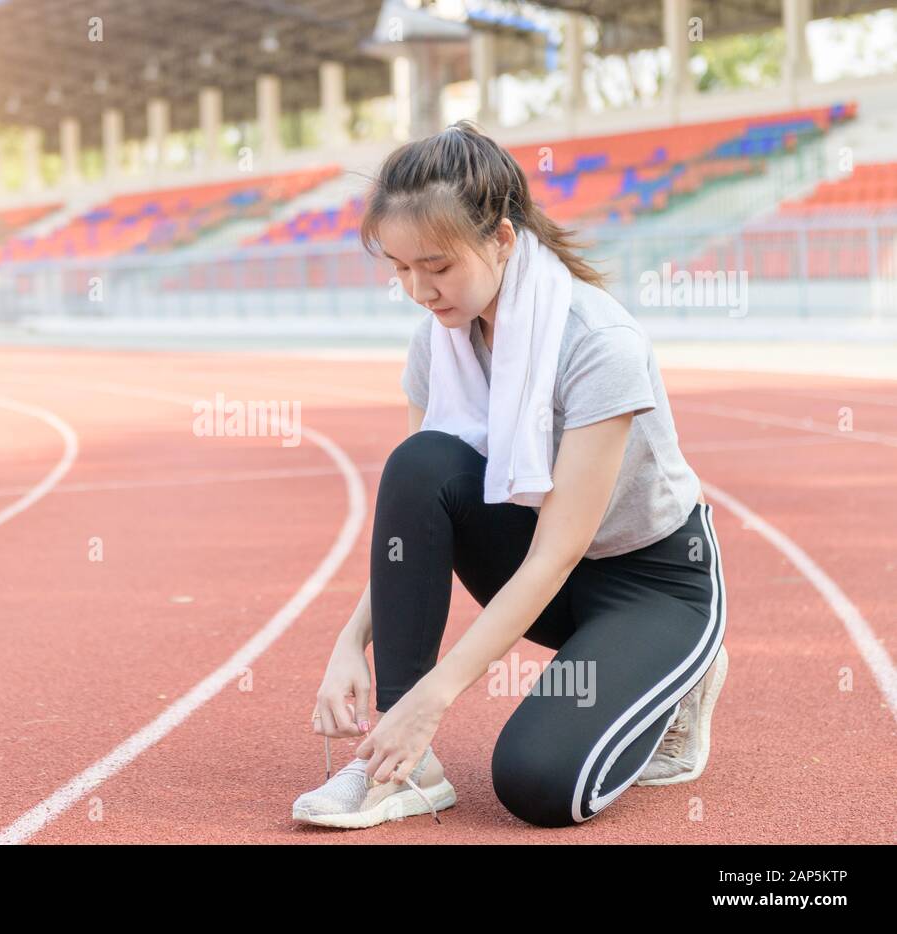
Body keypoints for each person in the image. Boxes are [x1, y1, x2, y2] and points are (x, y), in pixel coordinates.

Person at [292, 120, 729, 830]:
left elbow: (559, 548)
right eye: (401, 269)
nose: (419, 290)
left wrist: (434, 695)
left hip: (650, 582)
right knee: (420, 461)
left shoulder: (597, 343)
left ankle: (683, 675)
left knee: (540, 786)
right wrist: (350, 643)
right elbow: (413, 517)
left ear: (500, 239)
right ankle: (405, 771)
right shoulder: (441, 338)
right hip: (541, 566)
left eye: (436, 266)